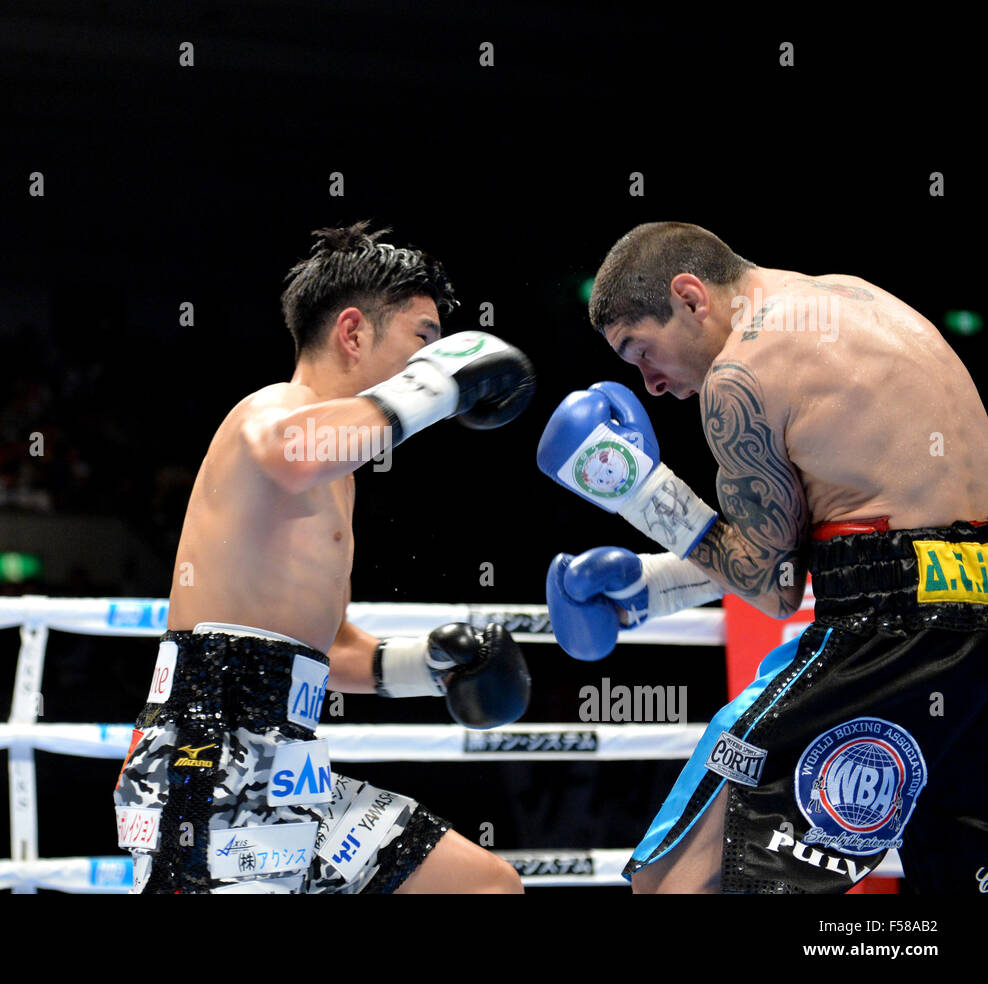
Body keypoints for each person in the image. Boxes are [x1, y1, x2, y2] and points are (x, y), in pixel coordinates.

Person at [540, 221, 988, 893]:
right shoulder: (852, 299)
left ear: (690, 297)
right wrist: (652, 586)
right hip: (969, 626)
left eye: (640, 350)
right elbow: (835, 545)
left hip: (886, 634)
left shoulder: (741, 369)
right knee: (957, 872)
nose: (651, 384)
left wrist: (641, 492)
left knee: (673, 879)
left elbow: (777, 583)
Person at [114, 221, 536, 894]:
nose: (435, 360)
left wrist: (432, 668)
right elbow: (290, 449)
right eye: (423, 341)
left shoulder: (339, 475)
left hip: (294, 766)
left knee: (487, 885)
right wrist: (441, 387)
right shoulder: (279, 410)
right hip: (208, 754)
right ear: (352, 332)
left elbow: (326, 649)